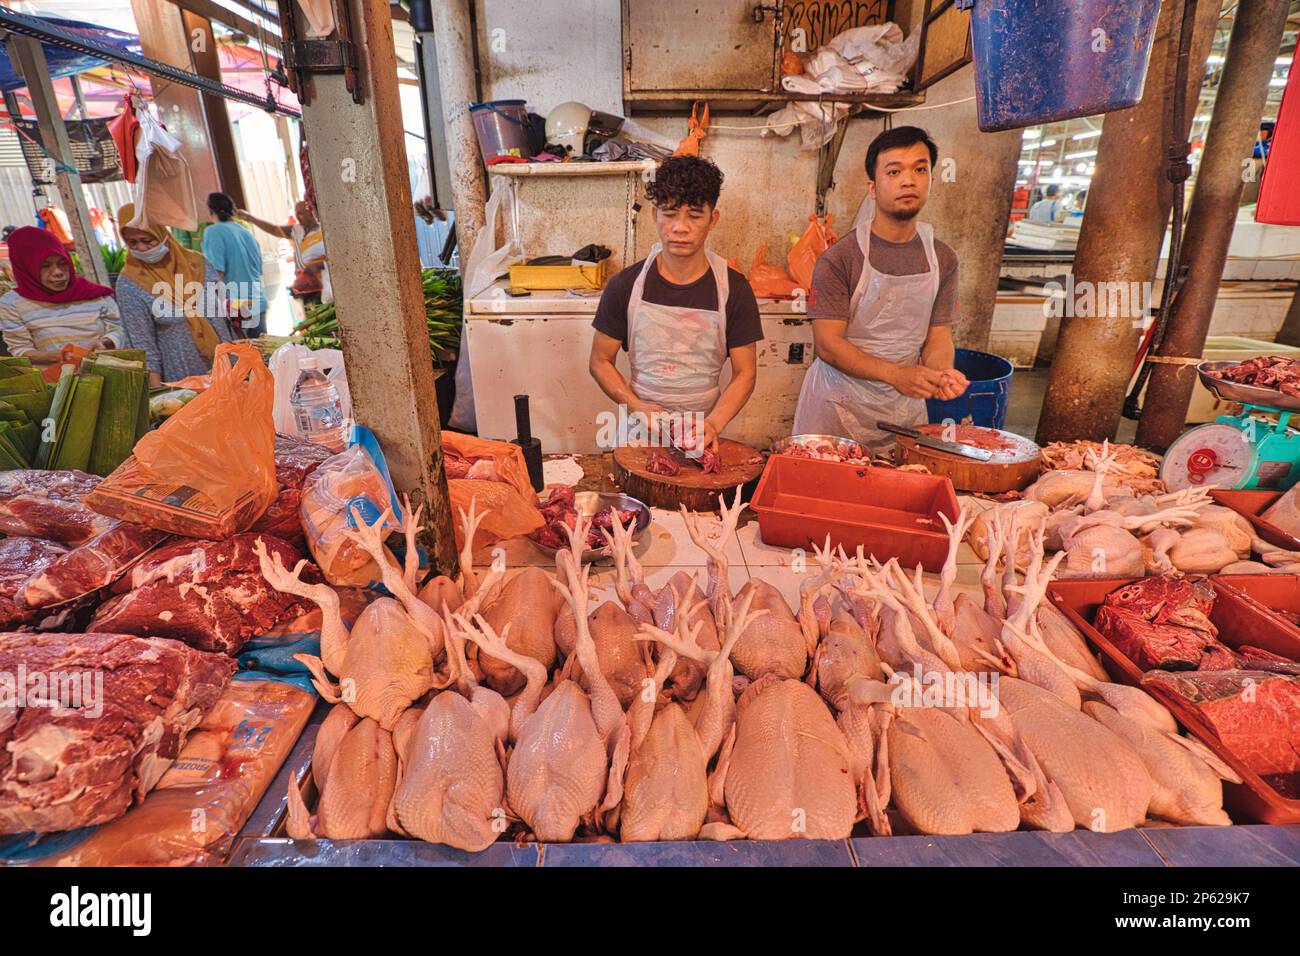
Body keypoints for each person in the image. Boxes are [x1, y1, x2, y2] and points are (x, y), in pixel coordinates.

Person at [791, 126, 966, 451]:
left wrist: (941, 372)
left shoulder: (943, 259)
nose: (908, 181)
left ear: (931, 179)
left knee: (900, 478)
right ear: (872, 187)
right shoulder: (840, 258)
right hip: (837, 403)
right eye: (894, 171)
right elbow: (828, 345)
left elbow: (939, 338)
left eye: (920, 169)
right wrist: (896, 374)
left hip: (903, 407)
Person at [589, 155, 761, 451]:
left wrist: (714, 423)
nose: (680, 227)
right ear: (654, 214)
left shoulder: (734, 289)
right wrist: (635, 406)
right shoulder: (626, 286)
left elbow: (745, 372)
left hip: (704, 430)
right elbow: (599, 360)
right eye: (669, 214)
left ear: (712, 219)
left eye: (694, 216)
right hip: (638, 431)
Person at [114, 203, 234, 387]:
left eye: (147, 240)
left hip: (226, 366)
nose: (142, 248)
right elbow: (143, 345)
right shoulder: (130, 283)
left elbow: (223, 311)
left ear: (161, 233)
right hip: (182, 377)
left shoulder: (197, 263)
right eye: (133, 243)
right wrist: (158, 395)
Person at [0, 225, 122, 366]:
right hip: (53, 377)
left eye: (63, 263)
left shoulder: (94, 294)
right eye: (45, 265)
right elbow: (20, 349)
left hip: (104, 371)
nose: (58, 272)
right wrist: (56, 357)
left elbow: (118, 329)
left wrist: (105, 342)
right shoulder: (12, 304)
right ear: (26, 267)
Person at [201, 192, 268, 337]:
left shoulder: (213, 232)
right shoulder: (246, 232)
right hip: (258, 303)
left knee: (243, 351)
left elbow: (216, 274)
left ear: (211, 211)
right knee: (262, 349)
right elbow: (258, 270)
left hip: (238, 309)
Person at [238, 200, 329, 305]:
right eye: (296, 214)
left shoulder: (323, 231)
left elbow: (335, 258)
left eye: (300, 214)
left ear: (311, 213)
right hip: (305, 287)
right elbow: (274, 229)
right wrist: (250, 218)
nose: (298, 218)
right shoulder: (296, 230)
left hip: (323, 286)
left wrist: (319, 264)